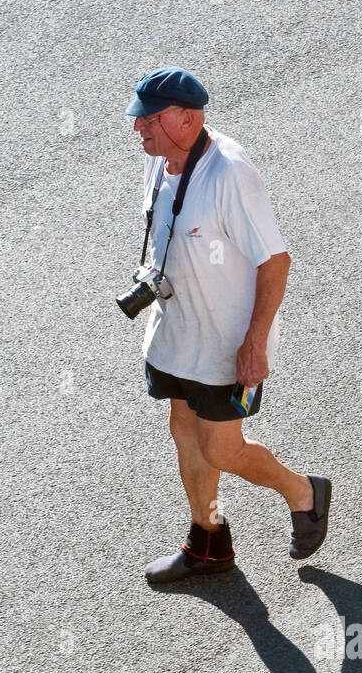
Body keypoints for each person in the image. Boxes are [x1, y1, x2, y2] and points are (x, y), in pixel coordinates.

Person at [123, 66, 332, 583]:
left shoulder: (230, 174)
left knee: (222, 447)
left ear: (188, 118)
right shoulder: (163, 160)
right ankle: (208, 541)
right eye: (139, 118)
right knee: (183, 429)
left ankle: (303, 492)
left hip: (226, 343)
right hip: (175, 332)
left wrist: (255, 344)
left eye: (149, 118)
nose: (138, 128)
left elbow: (275, 261)